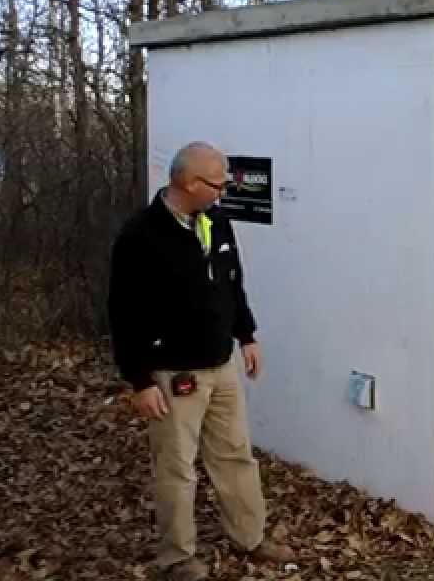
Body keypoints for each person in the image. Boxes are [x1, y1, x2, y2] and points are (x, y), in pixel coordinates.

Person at [108, 142, 294, 581]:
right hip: (173, 372)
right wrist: (140, 380)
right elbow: (123, 312)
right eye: (218, 183)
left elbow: (233, 284)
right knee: (176, 467)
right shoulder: (140, 236)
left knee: (235, 455)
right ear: (189, 183)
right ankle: (177, 557)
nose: (225, 190)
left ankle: (250, 537)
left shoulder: (217, 222)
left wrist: (246, 336)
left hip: (221, 364)